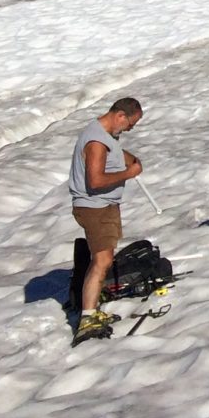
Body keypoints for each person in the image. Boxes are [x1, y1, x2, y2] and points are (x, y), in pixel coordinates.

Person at [67, 97, 144, 338]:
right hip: (95, 207)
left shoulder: (106, 136)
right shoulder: (97, 141)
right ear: (120, 115)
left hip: (102, 206)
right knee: (101, 261)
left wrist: (128, 159)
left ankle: (91, 309)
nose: (132, 128)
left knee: (103, 259)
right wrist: (128, 173)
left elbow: (113, 152)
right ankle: (87, 317)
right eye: (131, 123)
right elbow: (96, 180)